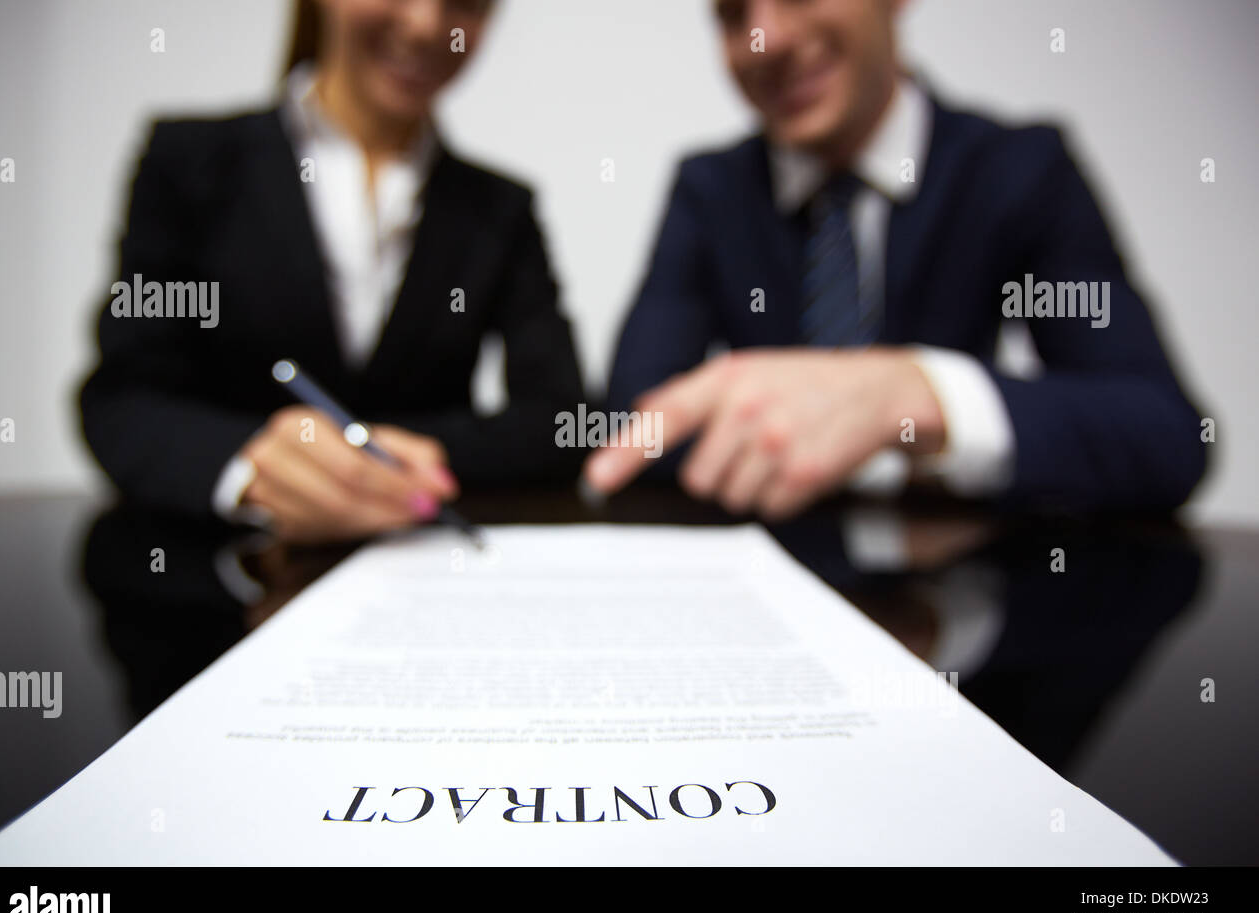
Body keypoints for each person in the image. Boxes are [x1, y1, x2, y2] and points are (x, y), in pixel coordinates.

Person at [584, 0, 1207, 519]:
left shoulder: (1019, 172)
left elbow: (1163, 434)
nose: (764, 36)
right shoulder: (711, 190)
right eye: (730, 12)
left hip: (958, 617)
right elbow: (636, 428)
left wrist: (919, 393)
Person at [80, 0, 586, 542]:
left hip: (422, 567)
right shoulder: (189, 164)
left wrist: (384, 454)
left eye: (465, 2)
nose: (425, 26)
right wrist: (250, 468)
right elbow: (124, 401)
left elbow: (562, 422)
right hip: (212, 588)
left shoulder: (499, 209)